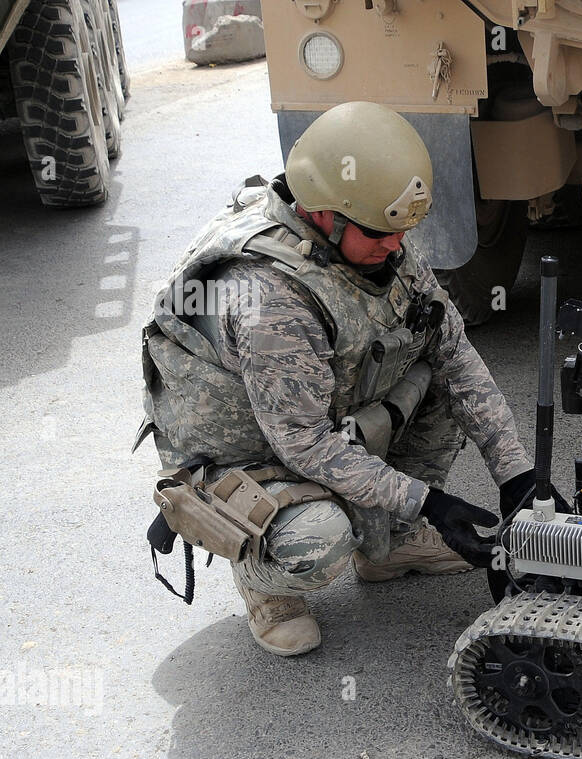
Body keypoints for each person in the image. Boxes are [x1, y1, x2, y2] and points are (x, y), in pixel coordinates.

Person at [139, 101, 544, 657]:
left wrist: (516, 472)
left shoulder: (375, 235)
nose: (396, 247)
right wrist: (429, 503)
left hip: (313, 414)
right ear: (323, 214)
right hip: (249, 457)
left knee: (438, 379)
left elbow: (453, 352)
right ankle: (265, 580)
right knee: (318, 540)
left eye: (401, 232)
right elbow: (302, 442)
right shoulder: (270, 300)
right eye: (380, 233)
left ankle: (388, 545)